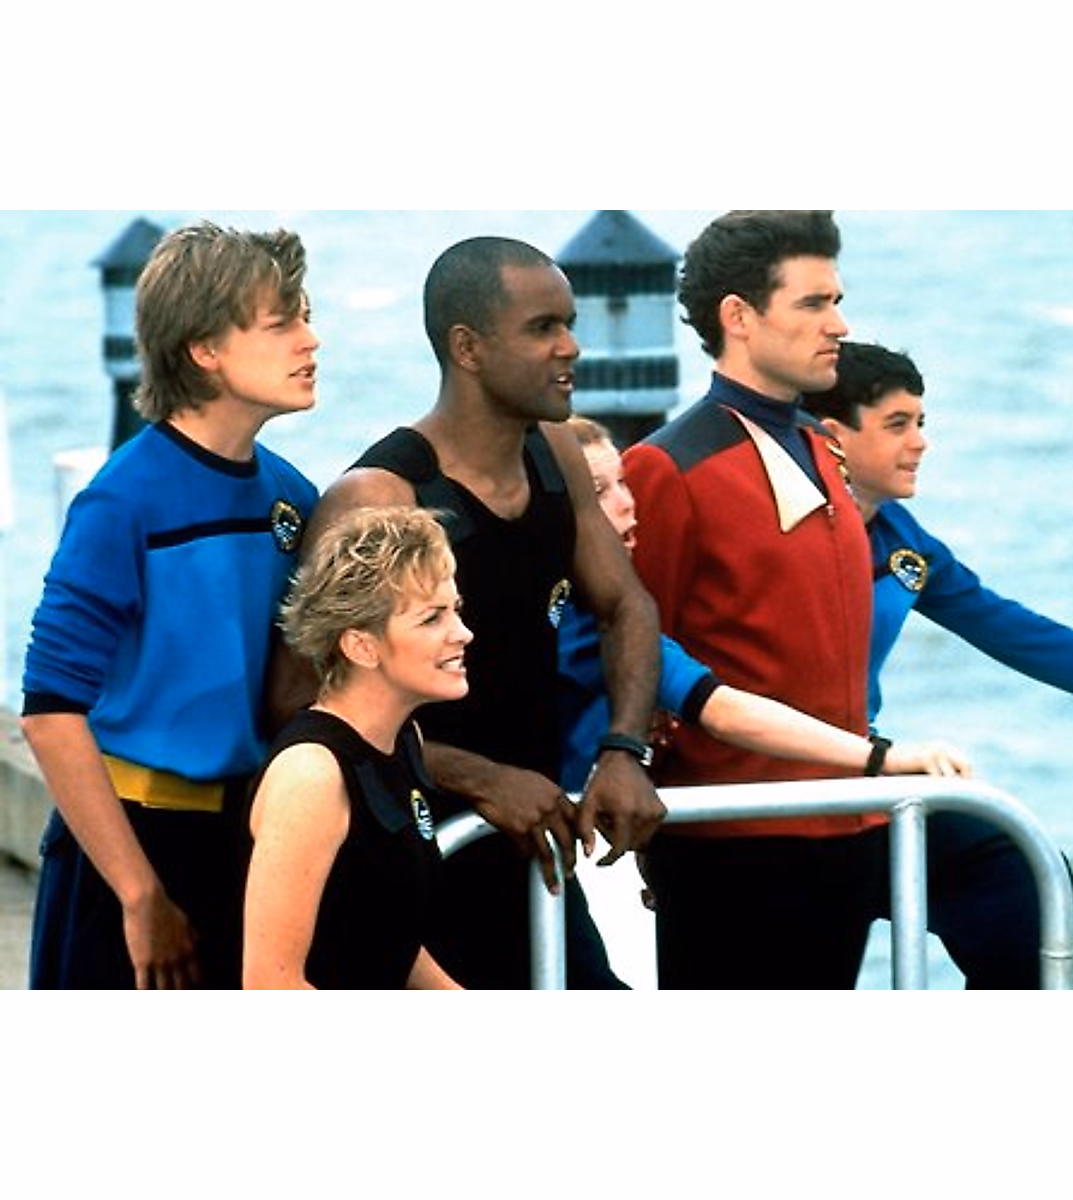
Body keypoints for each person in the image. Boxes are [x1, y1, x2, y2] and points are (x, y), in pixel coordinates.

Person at [623, 210, 1048, 989]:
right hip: (735, 844)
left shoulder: (822, 448)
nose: (839, 326)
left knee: (1011, 871)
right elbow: (633, 645)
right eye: (814, 303)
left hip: (846, 817)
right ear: (739, 317)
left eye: (837, 301)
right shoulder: (666, 466)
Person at [275, 235, 665, 989]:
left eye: (570, 323)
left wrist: (623, 752)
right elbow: (296, 707)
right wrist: (482, 778)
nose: (571, 347)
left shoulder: (555, 453)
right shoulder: (380, 496)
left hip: (531, 853)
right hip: (409, 866)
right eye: (543, 328)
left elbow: (626, 605)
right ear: (468, 348)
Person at [21, 221, 320, 989]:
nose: (310, 340)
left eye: (307, 316)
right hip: (127, 851)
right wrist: (139, 895)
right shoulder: (123, 501)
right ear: (204, 349)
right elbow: (50, 712)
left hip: (247, 839)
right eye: (281, 323)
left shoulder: (293, 498)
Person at [801, 339, 1073, 739]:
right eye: (896, 425)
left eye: (919, 424)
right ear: (833, 437)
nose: (920, 442)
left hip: (856, 750)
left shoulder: (904, 540)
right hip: (788, 760)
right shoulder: (786, 532)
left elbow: (1009, 629)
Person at [560, 414, 973, 791]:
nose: (627, 502)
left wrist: (879, 756)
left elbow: (718, 706)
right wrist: (883, 759)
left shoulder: (618, 615)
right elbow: (724, 714)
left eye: (623, 482)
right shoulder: (555, 611)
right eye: (598, 491)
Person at [244, 505, 466, 990]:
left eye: (456, 610)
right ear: (361, 646)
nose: (463, 634)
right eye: (433, 618)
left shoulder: (403, 740)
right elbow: (270, 986)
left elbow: (387, 934)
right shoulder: (311, 775)